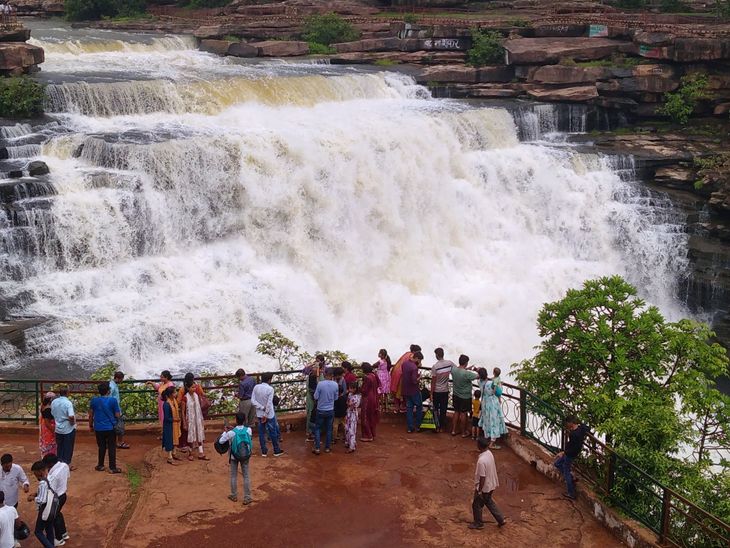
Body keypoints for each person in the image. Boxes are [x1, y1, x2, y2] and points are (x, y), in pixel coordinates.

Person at [469, 437, 506, 530]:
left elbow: (482, 477)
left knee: (476, 504)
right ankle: (501, 519)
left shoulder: (481, 461)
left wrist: (479, 490)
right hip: (491, 484)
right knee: (488, 501)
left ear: (479, 446)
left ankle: (478, 523)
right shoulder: (489, 453)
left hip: (485, 487)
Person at [218, 412, 253, 505]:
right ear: (244, 419)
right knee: (246, 475)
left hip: (234, 456)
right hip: (246, 455)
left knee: (233, 475)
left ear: (236, 420)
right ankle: (247, 497)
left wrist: (225, 432)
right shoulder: (249, 430)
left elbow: (221, 441)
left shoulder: (231, 433)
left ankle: (234, 495)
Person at [88, 382, 122, 473]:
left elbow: (91, 415)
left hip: (98, 428)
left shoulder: (94, 400)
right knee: (111, 447)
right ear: (108, 391)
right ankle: (112, 467)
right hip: (110, 427)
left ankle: (100, 465)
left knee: (101, 446)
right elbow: (117, 414)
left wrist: (91, 425)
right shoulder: (113, 400)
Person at [554, 415, 589, 500]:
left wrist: (563, 453)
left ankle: (571, 493)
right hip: (571, 453)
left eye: (567, 423)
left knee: (566, 472)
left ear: (571, 423)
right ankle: (571, 477)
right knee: (557, 463)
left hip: (569, 454)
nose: (566, 425)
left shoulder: (573, 434)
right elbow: (587, 427)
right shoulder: (581, 429)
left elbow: (573, 447)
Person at [251, 373, 284, 458]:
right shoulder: (270, 389)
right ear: (269, 380)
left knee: (261, 433)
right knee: (272, 432)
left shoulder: (256, 387)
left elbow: (253, 401)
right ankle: (276, 450)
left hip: (259, 414)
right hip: (269, 415)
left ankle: (264, 451)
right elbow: (269, 404)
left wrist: (261, 408)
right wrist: (266, 413)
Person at [42, 454, 69, 545]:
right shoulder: (64, 465)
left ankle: (59, 539)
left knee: (54, 517)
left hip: (56, 498)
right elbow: (67, 476)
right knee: (58, 514)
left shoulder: (52, 476)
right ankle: (64, 533)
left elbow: (49, 489)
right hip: (63, 495)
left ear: (50, 464)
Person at [28, 461, 55, 548]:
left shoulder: (42, 483)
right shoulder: (50, 478)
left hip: (44, 510)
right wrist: (37, 493)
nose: (35, 476)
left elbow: (42, 500)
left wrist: (33, 498)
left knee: (38, 532)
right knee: (49, 529)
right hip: (51, 509)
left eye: (35, 473)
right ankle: (51, 544)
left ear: (40, 471)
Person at [312, 368, 339, 455]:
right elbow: (336, 398)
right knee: (329, 429)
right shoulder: (335, 385)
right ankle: (327, 448)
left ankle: (317, 448)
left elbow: (315, 397)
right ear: (332, 376)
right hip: (330, 409)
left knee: (317, 428)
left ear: (324, 374)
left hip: (320, 409)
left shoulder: (320, 384)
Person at [480, 367, 508, 449]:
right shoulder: (492, 383)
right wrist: (500, 386)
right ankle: (492, 443)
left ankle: (487, 438)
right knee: (494, 421)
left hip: (485, 403)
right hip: (492, 404)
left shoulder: (481, 382)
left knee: (487, 420)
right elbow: (495, 391)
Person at [451, 355, 478, 437]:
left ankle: (453, 430)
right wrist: (478, 370)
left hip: (455, 394)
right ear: (466, 363)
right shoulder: (467, 374)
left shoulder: (454, 369)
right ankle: (463, 432)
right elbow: (478, 376)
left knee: (456, 412)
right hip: (465, 397)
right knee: (463, 413)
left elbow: (460, 370)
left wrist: (467, 369)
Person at [50, 386, 76, 467]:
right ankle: (66, 464)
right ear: (67, 393)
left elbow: (52, 413)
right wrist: (72, 423)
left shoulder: (54, 402)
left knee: (60, 447)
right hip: (68, 428)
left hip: (58, 428)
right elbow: (71, 416)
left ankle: (59, 463)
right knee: (68, 447)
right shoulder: (68, 403)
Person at [390, 344, 420, 413]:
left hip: (396, 373)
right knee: (403, 391)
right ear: (415, 352)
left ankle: (397, 407)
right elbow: (414, 365)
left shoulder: (406, 353)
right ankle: (403, 407)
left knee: (397, 391)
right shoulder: (411, 356)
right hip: (401, 375)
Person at [182, 381, 208, 461]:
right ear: (187, 388)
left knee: (199, 434)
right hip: (190, 420)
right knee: (191, 436)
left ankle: (201, 452)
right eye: (192, 387)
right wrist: (184, 423)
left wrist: (201, 420)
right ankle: (190, 453)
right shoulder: (185, 398)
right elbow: (183, 412)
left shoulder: (196, 395)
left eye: (194, 387)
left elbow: (199, 408)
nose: (194, 389)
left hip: (197, 418)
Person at [431, 348, 455, 433]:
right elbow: (457, 370)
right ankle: (442, 427)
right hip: (445, 390)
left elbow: (433, 382)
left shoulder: (435, 367)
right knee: (443, 409)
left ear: (437, 355)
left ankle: (435, 426)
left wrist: (431, 393)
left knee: (435, 409)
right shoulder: (449, 363)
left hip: (437, 391)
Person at [401, 351, 423, 433]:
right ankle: (418, 425)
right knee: (419, 406)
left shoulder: (405, 364)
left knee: (409, 408)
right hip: (414, 390)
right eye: (420, 360)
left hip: (405, 390)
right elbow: (414, 381)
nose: (420, 362)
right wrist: (419, 377)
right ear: (417, 358)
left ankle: (410, 427)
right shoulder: (414, 368)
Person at [303, 355, 325, 441]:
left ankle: (316, 431)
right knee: (311, 414)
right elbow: (312, 389)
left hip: (317, 398)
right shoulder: (312, 376)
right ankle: (310, 432)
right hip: (313, 399)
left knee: (316, 414)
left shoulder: (320, 375)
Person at [161, 386, 182, 465]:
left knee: (175, 438)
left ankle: (174, 453)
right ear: (170, 394)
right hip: (169, 425)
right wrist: (175, 420)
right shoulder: (166, 404)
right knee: (170, 440)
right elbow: (166, 418)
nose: (176, 393)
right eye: (175, 392)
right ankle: (169, 457)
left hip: (174, 424)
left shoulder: (174, 401)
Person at [109, 371, 130, 449]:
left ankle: (114, 442)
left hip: (115, 408)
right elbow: (110, 398)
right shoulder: (112, 386)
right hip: (115, 410)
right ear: (117, 378)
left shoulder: (113, 384)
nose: (122, 381)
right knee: (120, 426)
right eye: (121, 379)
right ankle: (120, 442)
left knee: (115, 426)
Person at [360, 362, 380, 442]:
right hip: (375, 397)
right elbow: (379, 384)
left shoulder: (367, 377)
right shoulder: (374, 375)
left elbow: (364, 390)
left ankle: (368, 435)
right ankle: (372, 433)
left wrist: (359, 388)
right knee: (372, 416)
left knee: (365, 417)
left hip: (368, 398)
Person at [332, 367, 348, 444]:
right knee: (344, 422)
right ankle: (346, 436)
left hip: (336, 403)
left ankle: (334, 437)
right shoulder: (342, 380)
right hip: (342, 404)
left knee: (335, 423)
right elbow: (345, 391)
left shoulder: (334, 381)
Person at [345, 382, 361, 454]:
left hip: (353, 414)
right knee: (347, 428)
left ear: (355, 389)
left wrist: (349, 404)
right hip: (349, 413)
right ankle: (349, 442)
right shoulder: (350, 394)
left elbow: (351, 405)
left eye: (351, 388)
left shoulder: (356, 397)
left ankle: (352, 446)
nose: (349, 389)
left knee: (352, 430)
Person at [39, 392, 57, 458]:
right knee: (50, 445)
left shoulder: (43, 406)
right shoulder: (48, 409)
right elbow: (47, 423)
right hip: (49, 431)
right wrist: (54, 431)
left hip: (45, 430)